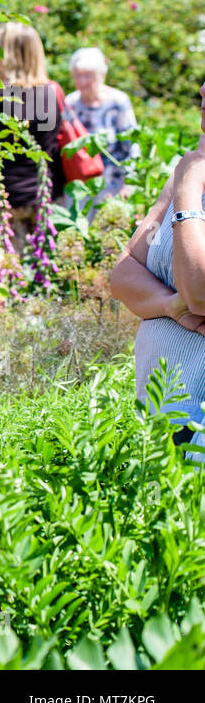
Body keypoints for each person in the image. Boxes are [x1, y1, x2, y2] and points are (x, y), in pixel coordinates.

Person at [110, 84, 205, 460]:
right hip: (156, 420)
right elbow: (123, 274)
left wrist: (186, 191)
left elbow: (199, 291)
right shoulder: (190, 170)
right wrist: (169, 305)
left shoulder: (188, 178)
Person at [0, 23, 68, 256]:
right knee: (42, 271)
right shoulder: (51, 92)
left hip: (1, 201)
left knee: (6, 276)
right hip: (45, 197)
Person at [66, 46, 139, 206]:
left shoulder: (118, 102)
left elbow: (132, 146)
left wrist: (128, 186)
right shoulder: (70, 103)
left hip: (114, 188)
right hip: (81, 187)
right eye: (78, 76)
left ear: (101, 75)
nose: (82, 81)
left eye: (88, 76)